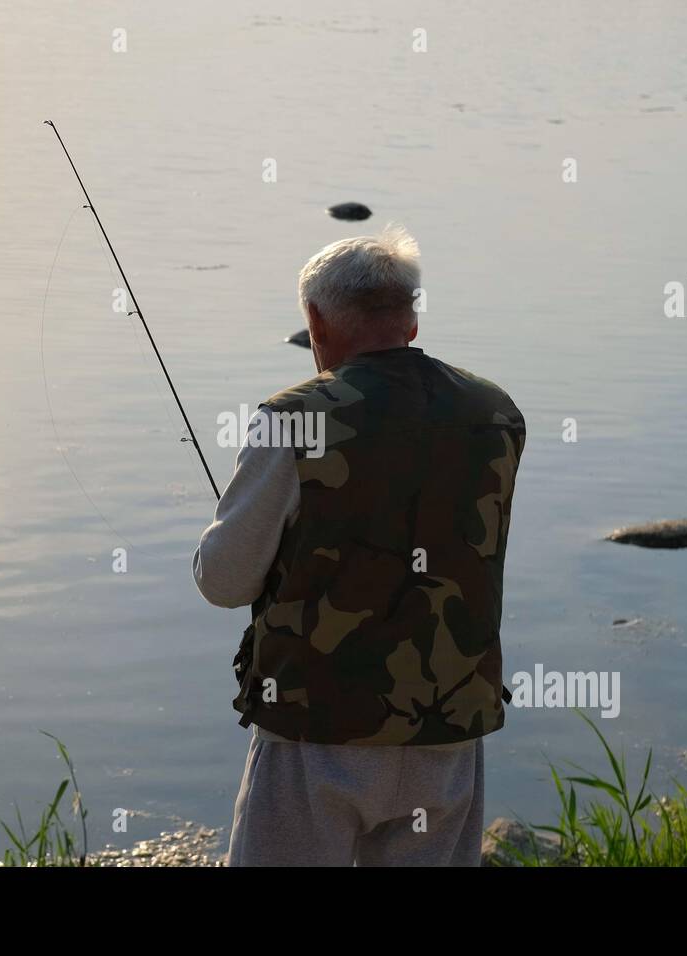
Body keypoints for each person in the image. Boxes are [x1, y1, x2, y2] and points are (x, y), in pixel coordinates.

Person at [192, 225, 526, 866]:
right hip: (447, 731)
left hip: (318, 731)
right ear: (411, 320)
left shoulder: (296, 418)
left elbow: (224, 581)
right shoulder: (495, 412)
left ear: (316, 319)